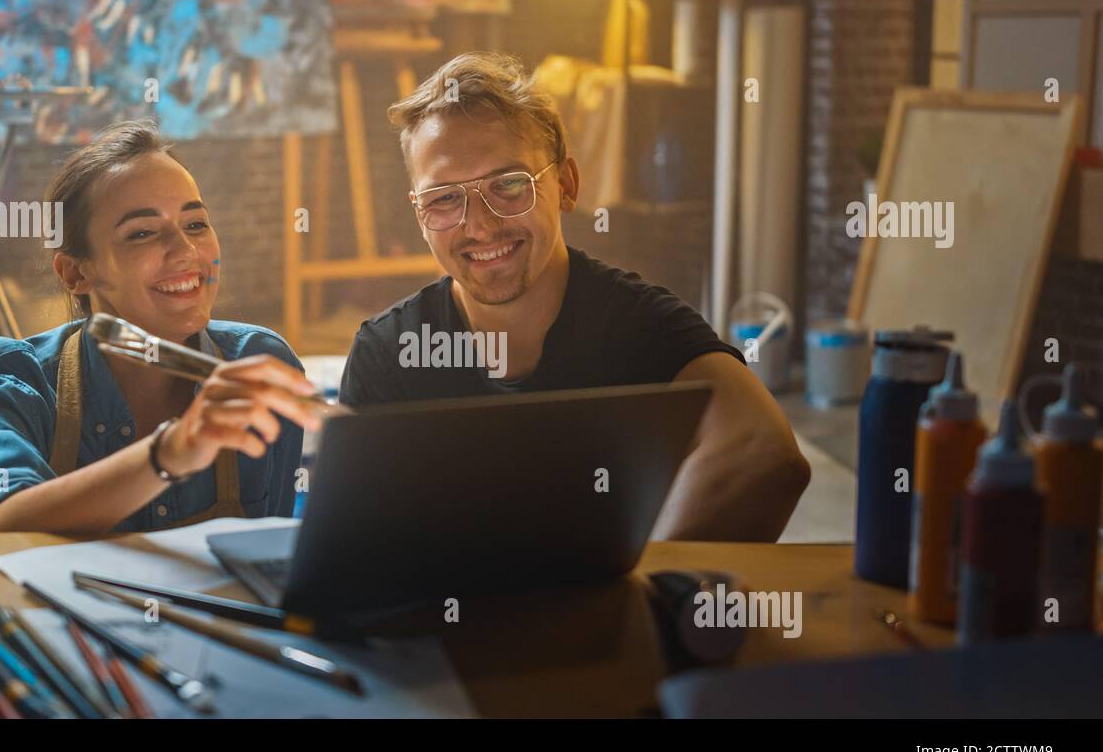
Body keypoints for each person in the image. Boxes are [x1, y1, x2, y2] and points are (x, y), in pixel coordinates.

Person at [339, 52, 810, 542]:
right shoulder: (388, 356)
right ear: (420, 215)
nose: (478, 225)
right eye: (443, 198)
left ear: (565, 184)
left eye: (508, 185)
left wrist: (640, 590)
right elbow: (351, 542)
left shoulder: (636, 325)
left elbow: (766, 451)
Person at [0, 120, 321, 534]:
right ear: (74, 274)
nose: (185, 251)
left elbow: (270, 561)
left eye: (195, 224)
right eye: (142, 233)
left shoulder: (259, 361)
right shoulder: (9, 377)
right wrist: (168, 455)